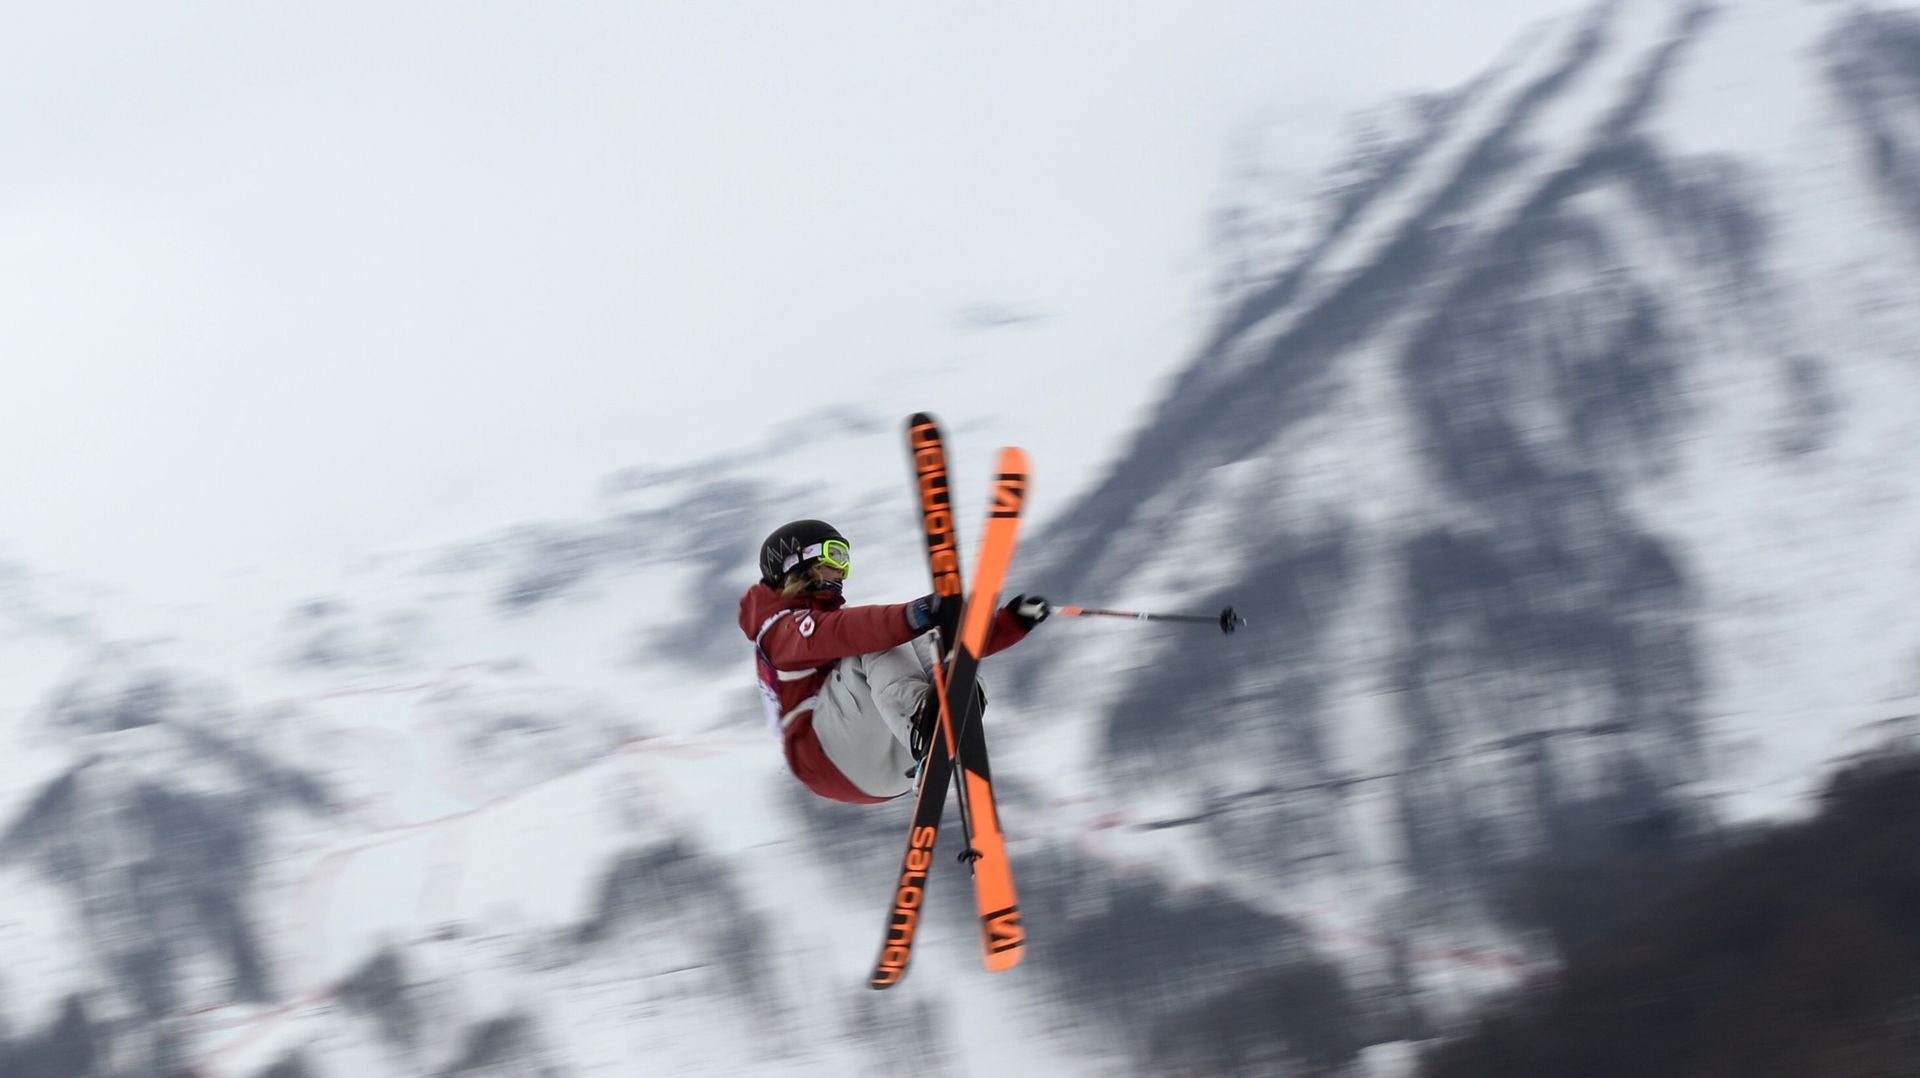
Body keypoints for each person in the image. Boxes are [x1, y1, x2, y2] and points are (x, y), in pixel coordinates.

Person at [738, 518, 1048, 804]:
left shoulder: (811, 622)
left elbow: (926, 637)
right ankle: (924, 719)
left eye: (846, 559)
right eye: (836, 556)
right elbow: (845, 631)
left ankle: (947, 705)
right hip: (823, 756)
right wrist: (917, 613)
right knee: (876, 640)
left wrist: (1009, 625)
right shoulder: (780, 630)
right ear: (800, 563)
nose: (843, 571)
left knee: (923, 637)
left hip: (884, 762)